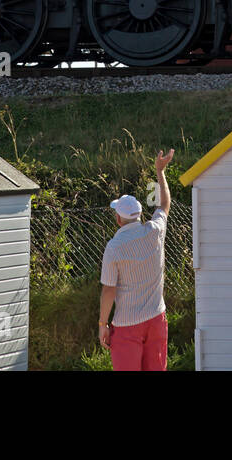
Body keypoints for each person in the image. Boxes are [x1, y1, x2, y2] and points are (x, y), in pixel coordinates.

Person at [99, 149, 174, 371]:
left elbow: (109, 291)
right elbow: (164, 205)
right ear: (140, 214)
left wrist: (103, 324)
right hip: (156, 319)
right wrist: (160, 171)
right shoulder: (154, 231)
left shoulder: (114, 248)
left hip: (127, 325)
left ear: (119, 218)